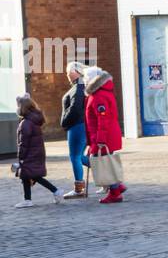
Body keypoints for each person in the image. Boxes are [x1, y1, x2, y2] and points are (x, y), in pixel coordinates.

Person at [84, 67, 126, 205]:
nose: (84, 81)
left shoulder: (98, 96)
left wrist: (100, 139)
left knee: (102, 163)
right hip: (106, 134)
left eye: (86, 78)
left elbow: (103, 118)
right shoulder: (102, 92)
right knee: (106, 161)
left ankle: (115, 192)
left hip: (103, 136)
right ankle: (117, 186)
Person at [13, 96, 64, 209]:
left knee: (34, 175)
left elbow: (23, 143)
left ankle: (56, 191)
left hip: (29, 153)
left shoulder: (25, 123)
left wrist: (21, 156)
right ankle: (27, 199)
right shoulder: (34, 120)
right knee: (26, 175)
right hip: (37, 152)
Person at [60, 62, 88, 198]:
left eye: (68, 71)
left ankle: (78, 190)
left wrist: (65, 121)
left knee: (75, 157)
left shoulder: (78, 88)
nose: (66, 74)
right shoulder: (80, 87)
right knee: (81, 157)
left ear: (76, 72)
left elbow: (75, 109)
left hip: (77, 126)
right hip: (80, 126)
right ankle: (108, 179)